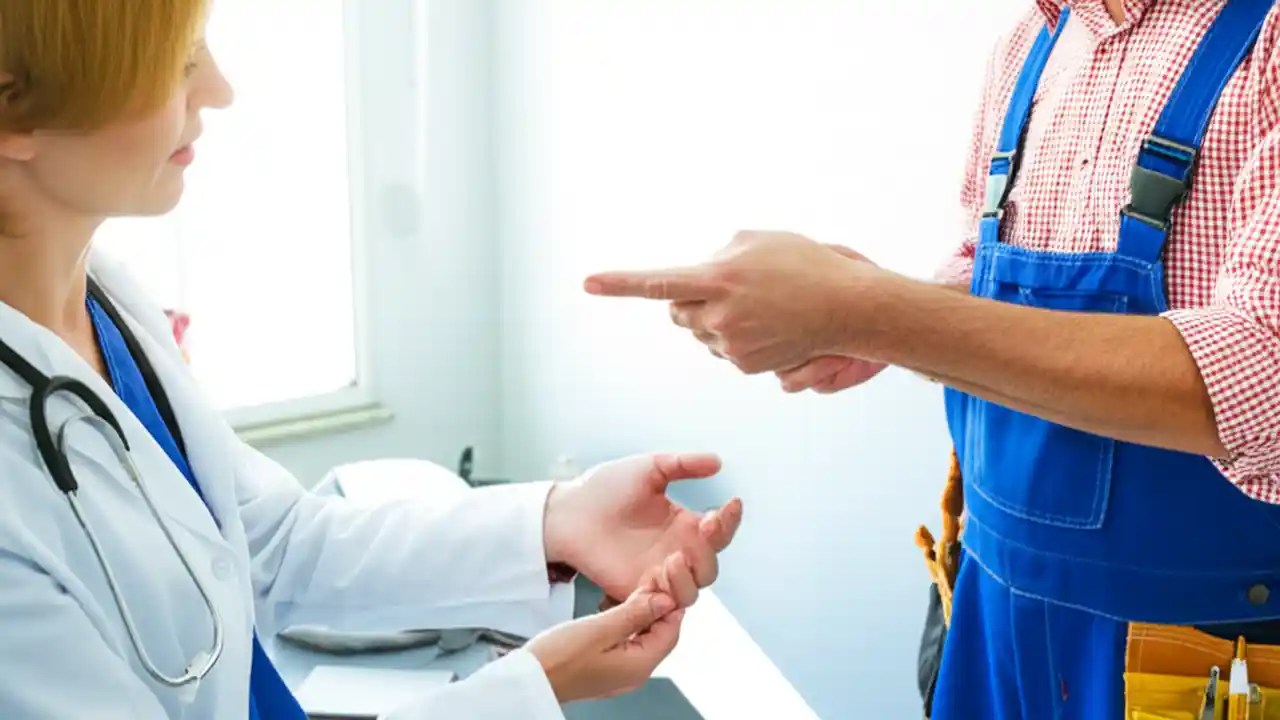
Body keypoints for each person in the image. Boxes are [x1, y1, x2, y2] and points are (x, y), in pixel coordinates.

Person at [0, 3, 744, 719]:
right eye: (176, 62)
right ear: (14, 113)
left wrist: (559, 518)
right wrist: (533, 687)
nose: (219, 89)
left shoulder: (107, 305)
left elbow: (273, 545)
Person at [585, 0, 1280, 716]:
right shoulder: (1028, 48)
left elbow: (1262, 373)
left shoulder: (1268, 39)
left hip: (1199, 656)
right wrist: (866, 322)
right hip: (989, 616)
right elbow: (979, 279)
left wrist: (869, 310)